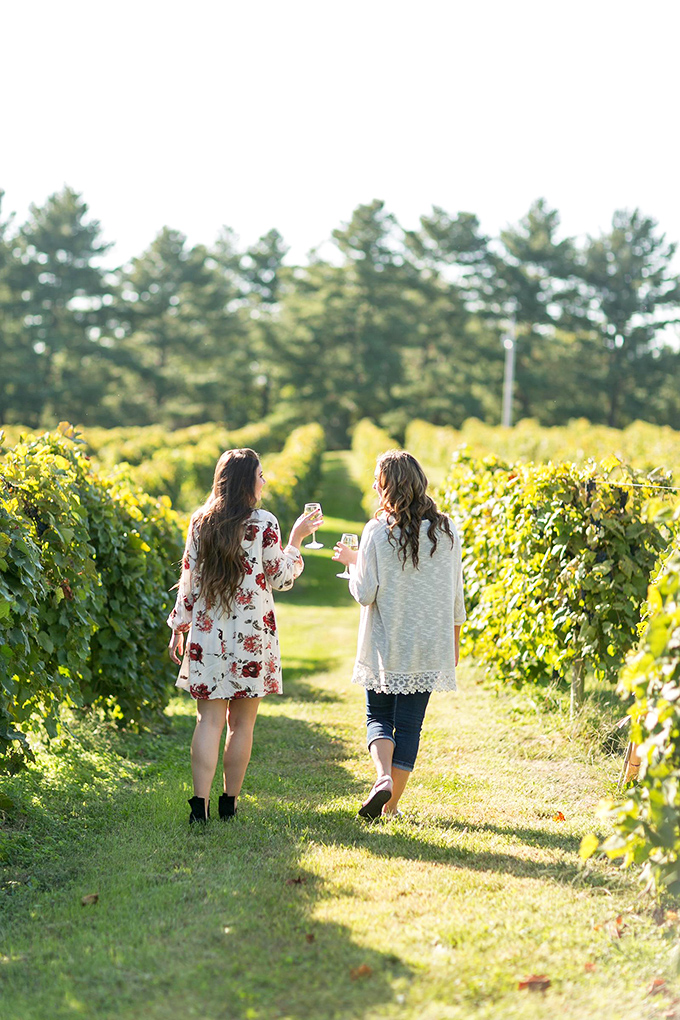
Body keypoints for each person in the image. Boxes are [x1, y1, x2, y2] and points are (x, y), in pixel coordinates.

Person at [168, 448, 322, 824]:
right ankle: (229, 804)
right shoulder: (264, 523)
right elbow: (281, 577)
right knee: (242, 725)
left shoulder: (200, 521)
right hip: (252, 634)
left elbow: (188, 581)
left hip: (208, 634)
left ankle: (199, 807)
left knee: (208, 722)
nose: (264, 481)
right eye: (260, 475)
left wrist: (178, 629)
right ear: (246, 481)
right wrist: (296, 540)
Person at [333, 450, 465, 820]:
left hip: (386, 643)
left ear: (388, 486)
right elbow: (456, 593)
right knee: (410, 725)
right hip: (429, 643)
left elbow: (365, 593)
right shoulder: (447, 529)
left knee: (378, 715)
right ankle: (390, 809)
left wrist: (353, 563)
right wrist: (454, 643)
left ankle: (382, 779)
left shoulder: (377, 530)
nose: (374, 487)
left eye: (378, 481)